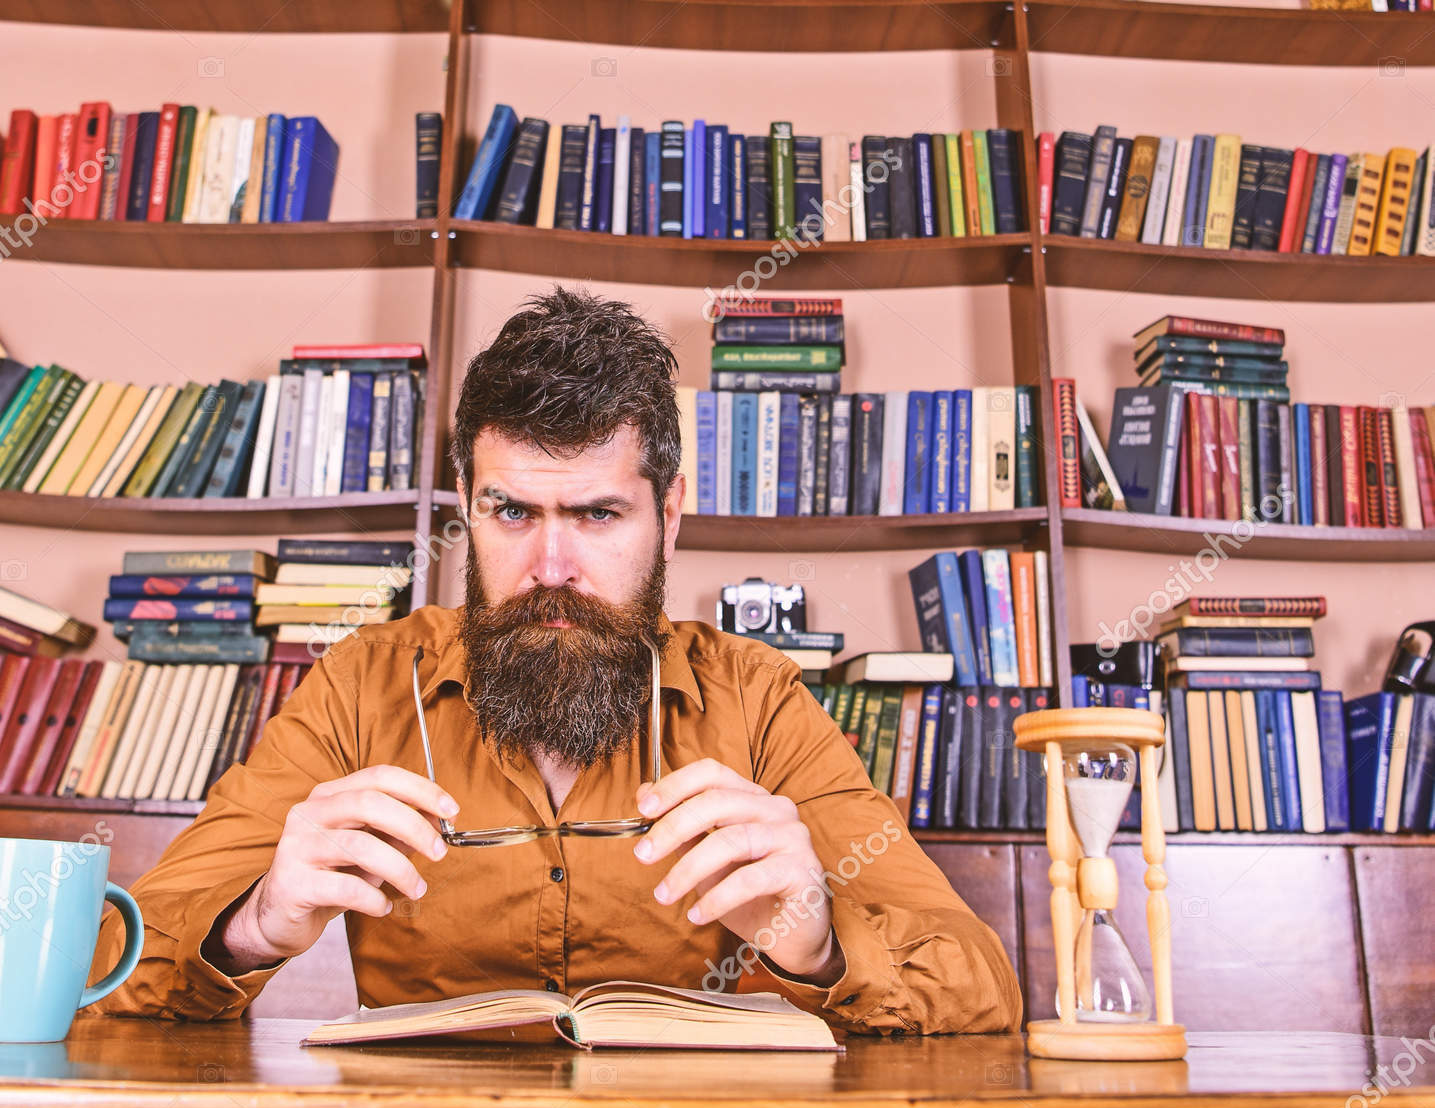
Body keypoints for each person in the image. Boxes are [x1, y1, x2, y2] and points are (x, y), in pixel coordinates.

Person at [89, 287, 1021, 1034]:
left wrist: (813, 940)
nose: (551, 568)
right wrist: (253, 926)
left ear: (672, 513)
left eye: (599, 515)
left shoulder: (757, 698)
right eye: (511, 512)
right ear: (466, 503)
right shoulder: (361, 684)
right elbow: (98, 967)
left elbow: (980, 991)